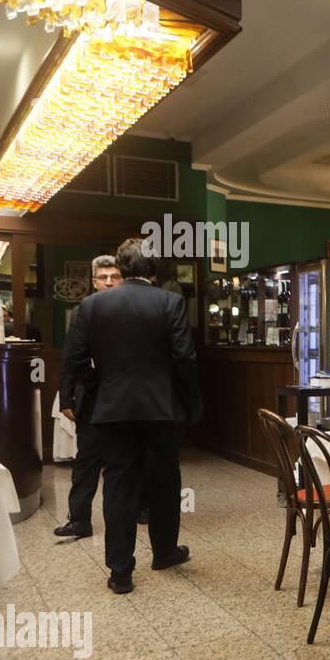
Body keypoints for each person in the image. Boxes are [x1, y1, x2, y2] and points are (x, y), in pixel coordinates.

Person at [62, 238, 201, 593]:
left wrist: (102, 385)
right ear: (154, 268)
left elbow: (75, 361)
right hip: (161, 408)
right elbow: (184, 358)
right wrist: (189, 402)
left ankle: (120, 570)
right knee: (165, 481)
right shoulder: (170, 302)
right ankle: (165, 552)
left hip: (113, 409)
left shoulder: (91, 307)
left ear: (121, 269)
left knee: (119, 485)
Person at [54, 256, 123, 539]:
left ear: (122, 279)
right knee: (86, 461)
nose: (109, 281)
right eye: (103, 277)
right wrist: (67, 398)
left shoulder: (132, 311)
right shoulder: (84, 310)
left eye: (114, 276)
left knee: (130, 457)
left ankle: (140, 509)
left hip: (126, 399)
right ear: (94, 282)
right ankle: (80, 519)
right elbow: (71, 357)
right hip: (92, 396)